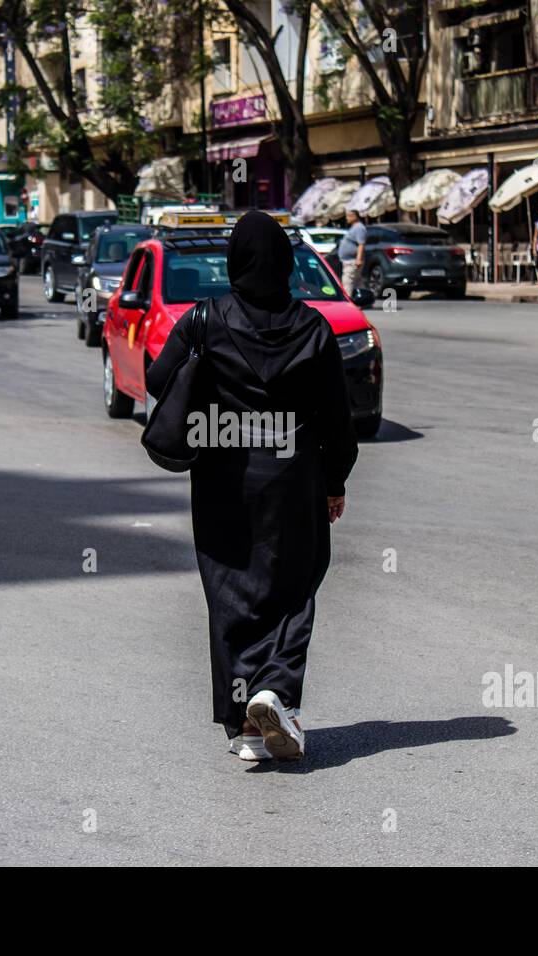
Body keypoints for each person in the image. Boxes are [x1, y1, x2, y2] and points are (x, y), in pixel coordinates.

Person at [145, 211, 359, 763]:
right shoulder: (313, 327)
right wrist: (334, 480)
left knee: (230, 591)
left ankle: (244, 722)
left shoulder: (203, 319)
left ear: (234, 261)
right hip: (293, 476)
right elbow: (338, 417)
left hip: (221, 474)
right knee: (294, 584)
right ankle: (275, 692)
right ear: (286, 262)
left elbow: (154, 380)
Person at [337, 208, 367, 293]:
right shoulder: (354, 228)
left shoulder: (359, 228)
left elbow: (361, 244)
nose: (347, 218)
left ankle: (347, 302)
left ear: (354, 216)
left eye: (348, 216)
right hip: (348, 260)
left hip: (352, 261)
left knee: (348, 282)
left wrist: (359, 259)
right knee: (358, 282)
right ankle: (365, 299)